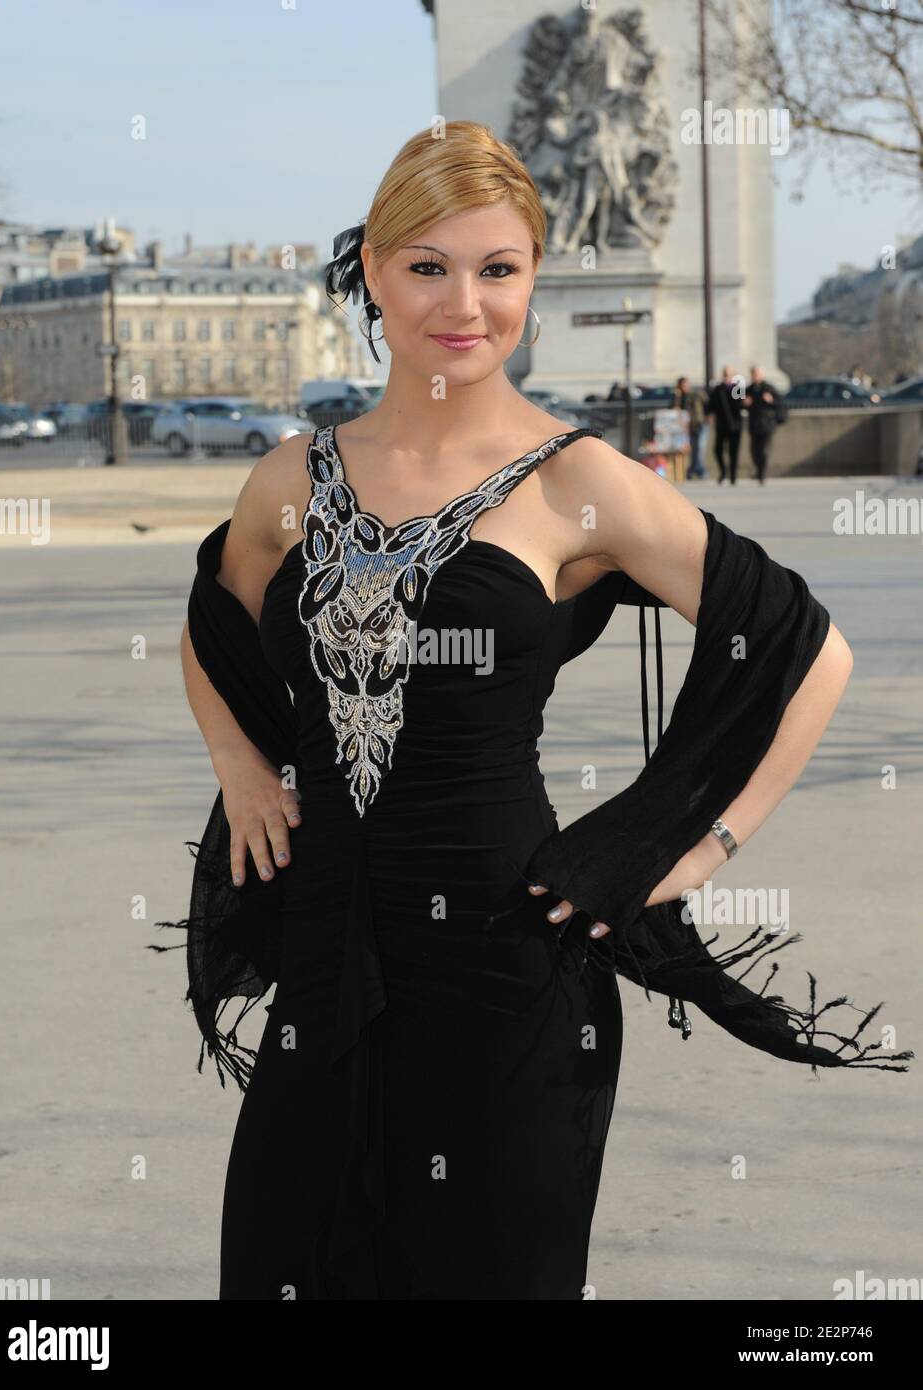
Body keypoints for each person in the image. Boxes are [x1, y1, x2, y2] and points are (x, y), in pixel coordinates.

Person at [160, 122, 887, 1302]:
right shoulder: (291, 477)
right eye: (427, 266)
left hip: (507, 974)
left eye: (496, 268)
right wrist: (241, 764)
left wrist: (694, 843)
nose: (464, 303)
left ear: (533, 278)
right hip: (326, 963)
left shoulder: (575, 481)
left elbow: (808, 651)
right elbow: (211, 624)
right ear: (372, 272)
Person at [745, 364, 785, 485]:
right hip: (754, 424)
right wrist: (744, 403)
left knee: (764, 450)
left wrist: (771, 400)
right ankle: (758, 470)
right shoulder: (749, 389)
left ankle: (762, 474)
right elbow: (740, 404)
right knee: (754, 450)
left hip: (767, 424)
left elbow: (780, 403)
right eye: (753, 374)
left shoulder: (769, 388)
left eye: (757, 374)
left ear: (762, 375)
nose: (755, 376)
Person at [705, 364, 744, 484]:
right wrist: (710, 414)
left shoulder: (737, 389)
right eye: (725, 375)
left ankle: (733, 475)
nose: (726, 377)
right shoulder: (718, 389)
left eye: (728, 375)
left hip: (735, 425)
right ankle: (723, 472)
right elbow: (710, 405)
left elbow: (741, 405)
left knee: (733, 452)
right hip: (721, 425)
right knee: (718, 450)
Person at [673, 375, 706, 479]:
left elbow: (706, 402)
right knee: (688, 449)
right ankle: (693, 470)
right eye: (682, 385)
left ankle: (698, 470)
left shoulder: (695, 394)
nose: (684, 387)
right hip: (685, 428)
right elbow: (675, 409)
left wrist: (706, 416)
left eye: (685, 384)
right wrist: (677, 397)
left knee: (698, 448)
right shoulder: (679, 397)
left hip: (697, 424)